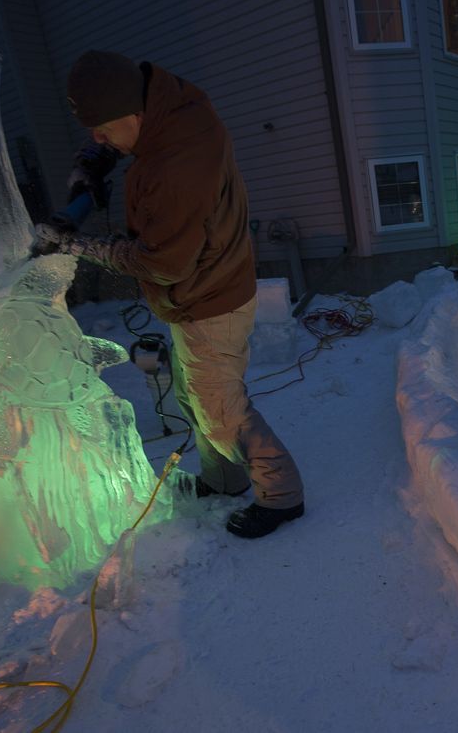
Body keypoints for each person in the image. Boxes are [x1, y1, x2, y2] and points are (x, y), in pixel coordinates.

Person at [36, 50, 304, 539]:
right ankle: (225, 480)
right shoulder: (171, 109)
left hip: (209, 299)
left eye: (103, 130)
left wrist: (79, 245)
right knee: (193, 395)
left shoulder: (179, 167)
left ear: (134, 113)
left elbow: (161, 262)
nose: (98, 138)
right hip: (202, 291)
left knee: (219, 409)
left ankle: (281, 494)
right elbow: (128, 136)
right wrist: (97, 160)